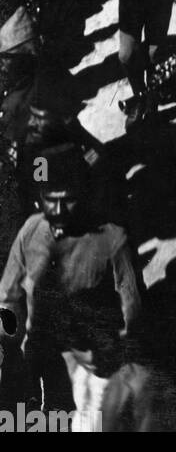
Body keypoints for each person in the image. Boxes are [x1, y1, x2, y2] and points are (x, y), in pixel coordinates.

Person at [0, 143, 142, 411]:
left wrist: (113, 349)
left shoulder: (112, 238)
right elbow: (8, 296)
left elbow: (131, 303)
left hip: (92, 358)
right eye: (50, 199)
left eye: (67, 199)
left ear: (84, 195)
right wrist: (9, 345)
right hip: (42, 351)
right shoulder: (31, 229)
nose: (58, 209)